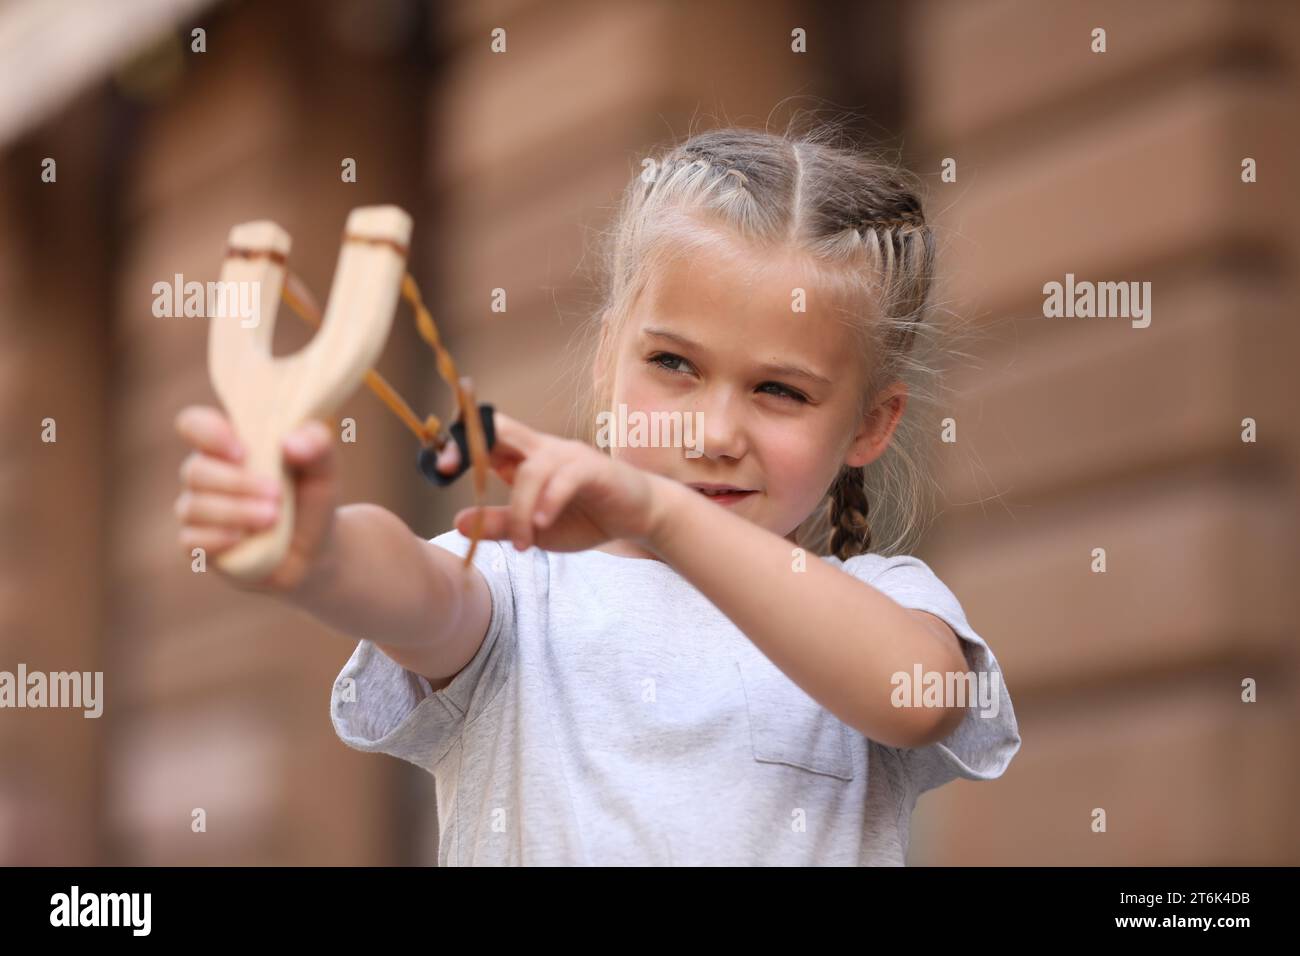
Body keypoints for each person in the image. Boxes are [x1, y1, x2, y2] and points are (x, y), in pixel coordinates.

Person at [173, 125, 1021, 865]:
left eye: (780, 391)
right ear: (605, 358)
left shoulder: (881, 602)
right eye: (673, 365)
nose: (714, 432)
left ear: (872, 425)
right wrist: (316, 552)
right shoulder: (522, 584)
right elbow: (418, 594)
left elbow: (922, 699)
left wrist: (661, 512)